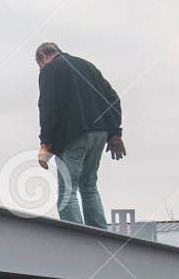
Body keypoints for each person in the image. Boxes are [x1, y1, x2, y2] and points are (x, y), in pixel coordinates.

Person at [34, 42, 125, 229]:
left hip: (73, 136)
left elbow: (47, 107)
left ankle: (76, 238)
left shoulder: (49, 70)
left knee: (67, 189)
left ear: (43, 57)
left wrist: (46, 143)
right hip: (100, 133)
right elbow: (113, 98)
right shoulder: (86, 66)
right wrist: (115, 133)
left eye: (40, 65)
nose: (41, 68)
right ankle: (100, 234)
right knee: (89, 185)